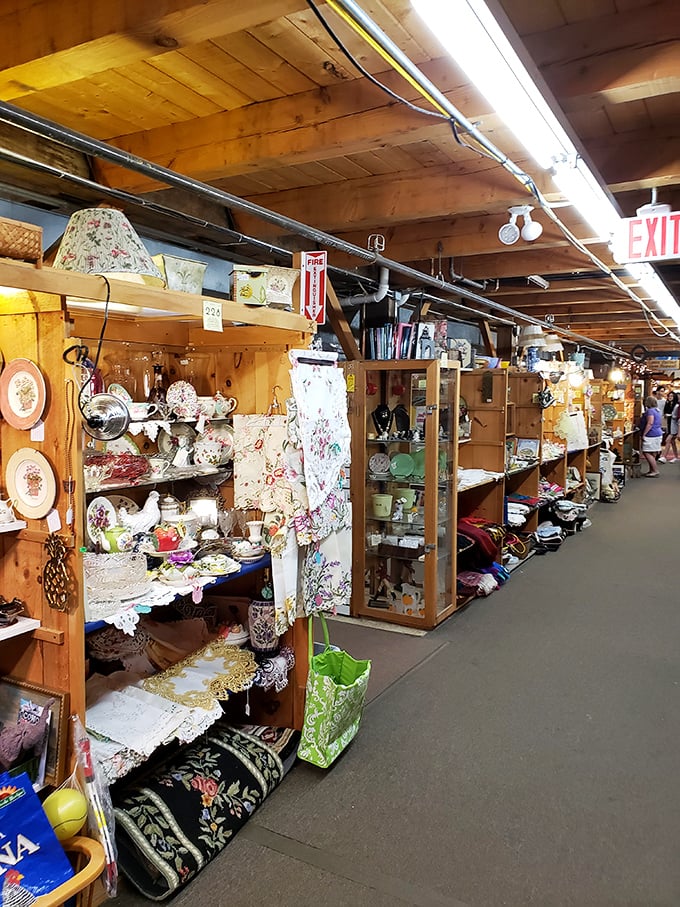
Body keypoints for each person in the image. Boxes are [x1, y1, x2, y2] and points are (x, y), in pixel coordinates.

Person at [639, 395, 663, 476]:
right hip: (657, 433)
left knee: (646, 452)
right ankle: (651, 470)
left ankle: (655, 470)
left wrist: (644, 434)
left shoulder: (650, 411)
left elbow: (650, 423)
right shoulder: (657, 411)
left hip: (651, 434)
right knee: (653, 452)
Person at [659, 391, 680, 462]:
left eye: (672, 396)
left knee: (668, 440)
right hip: (670, 425)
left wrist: (669, 415)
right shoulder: (668, 404)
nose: (670, 397)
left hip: (674, 426)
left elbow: (676, 416)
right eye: (669, 396)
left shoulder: (676, 406)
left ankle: (664, 456)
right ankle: (676, 457)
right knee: (672, 442)